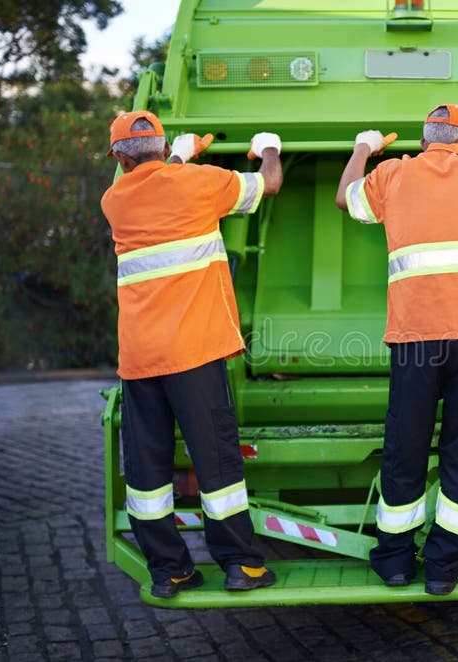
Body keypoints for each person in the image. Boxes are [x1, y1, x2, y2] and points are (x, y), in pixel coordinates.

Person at [335, 104, 458, 595]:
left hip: (415, 335)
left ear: (425, 140)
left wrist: (363, 148)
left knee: (406, 443)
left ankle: (395, 560)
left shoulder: (392, 174)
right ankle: (445, 565)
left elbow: (344, 198)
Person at [101, 110, 284, 598]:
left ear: (118, 157)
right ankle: (239, 566)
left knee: (147, 470)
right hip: (195, 352)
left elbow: (151, 180)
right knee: (216, 463)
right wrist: (269, 146)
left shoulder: (114, 200)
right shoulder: (199, 185)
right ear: (160, 150)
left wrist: (180, 152)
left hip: (140, 359)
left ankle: (169, 570)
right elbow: (268, 184)